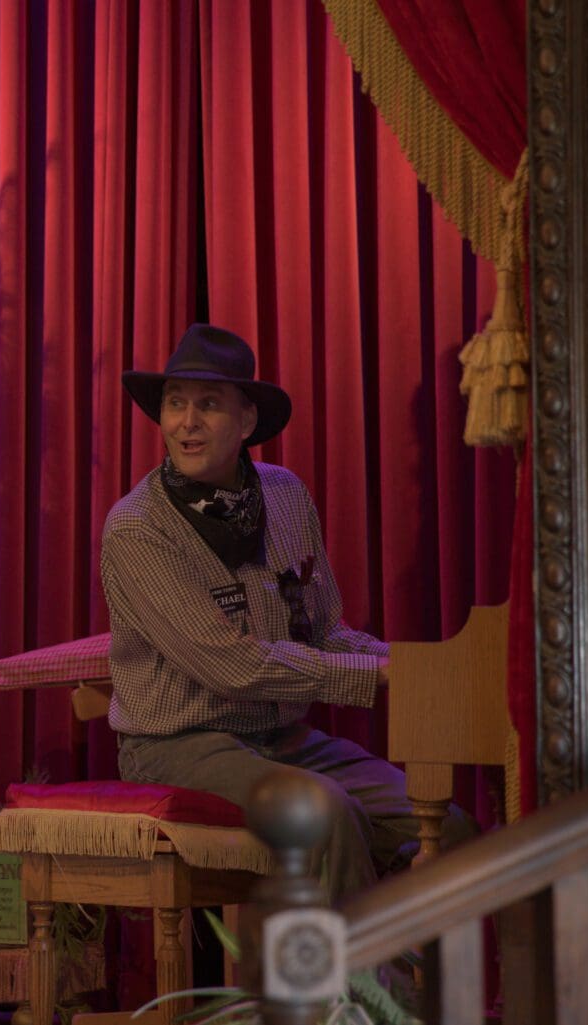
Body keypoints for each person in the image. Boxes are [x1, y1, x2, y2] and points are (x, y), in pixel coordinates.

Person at [100, 322, 471, 899]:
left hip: (281, 738)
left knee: (451, 827)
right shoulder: (137, 528)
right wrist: (375, 675)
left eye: (208, 405)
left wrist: (414, 664)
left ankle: (410, 950)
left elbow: (324, 632)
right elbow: (233, 668)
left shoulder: (285, 494)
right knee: (324, 816)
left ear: (247, 420)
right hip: (179, 746)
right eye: (175, 404)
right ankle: (354, 961)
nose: (186, 423)